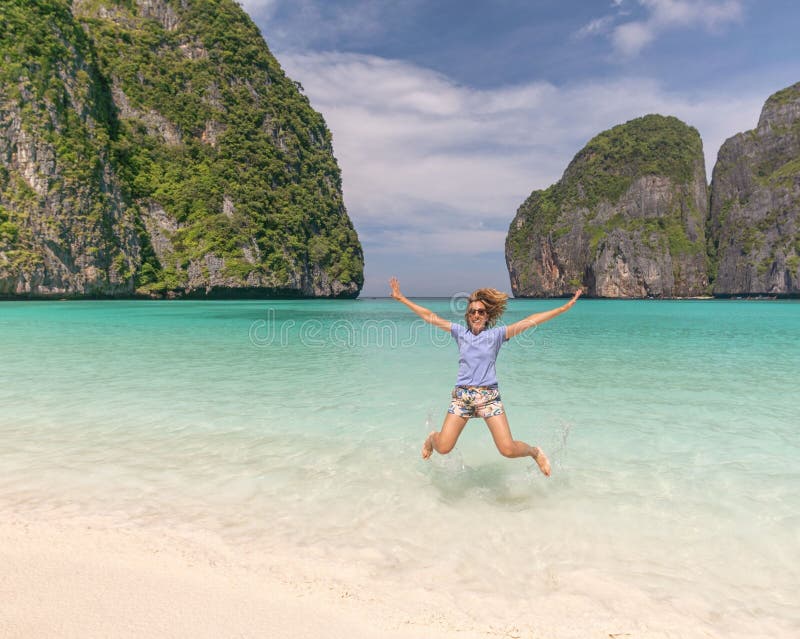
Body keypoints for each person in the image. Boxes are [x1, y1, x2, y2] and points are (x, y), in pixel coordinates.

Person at [389, 277, 581, 476]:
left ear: (487, 316)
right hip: (463, 397)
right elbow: (430, 316)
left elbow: (529, 321)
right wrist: (402, 298)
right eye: (472, 312)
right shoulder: (460, 333)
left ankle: (534, 452)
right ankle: (431, 438)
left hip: (489, 397)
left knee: (507, 449)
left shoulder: (497, 335)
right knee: (444, 447)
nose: (476, 315)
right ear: (468, 316)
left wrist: (562, 309)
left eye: (480, 311)